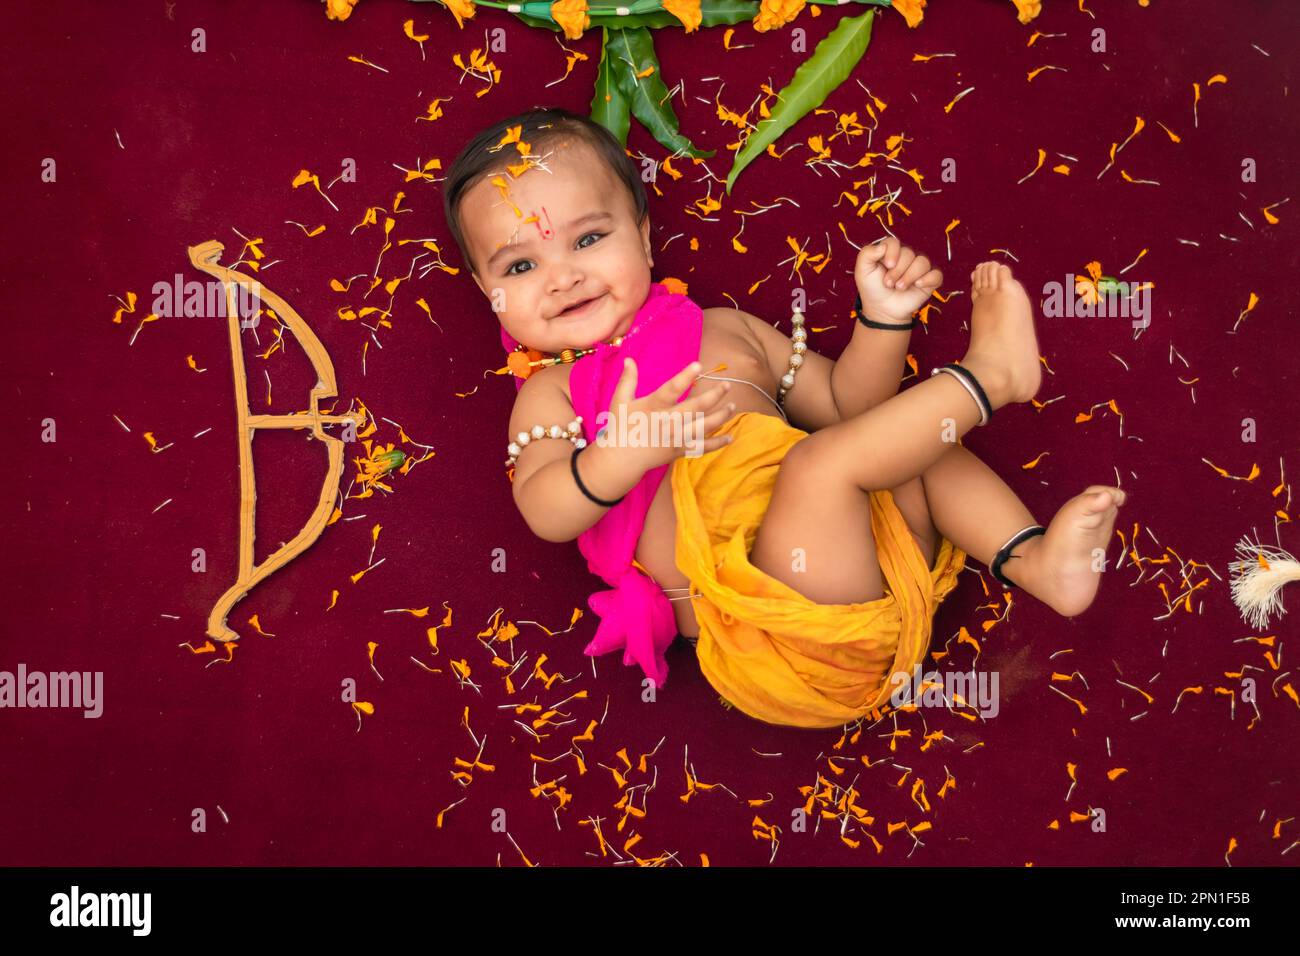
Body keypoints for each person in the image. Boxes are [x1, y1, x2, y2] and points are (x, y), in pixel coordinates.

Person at [440, 106, 1127, 729]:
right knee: (819, 463)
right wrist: (620, 455)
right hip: (775, 642)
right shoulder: (552, 392)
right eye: (524, 263)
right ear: (487, 291)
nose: (562, 275)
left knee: (905, 435)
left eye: (588, 240)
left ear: (644, 238)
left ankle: (1034, 559)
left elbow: (849, 407)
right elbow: (545, 509)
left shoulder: (726, 329)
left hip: (878, 568)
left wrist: (882, 321)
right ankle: (989, 380)